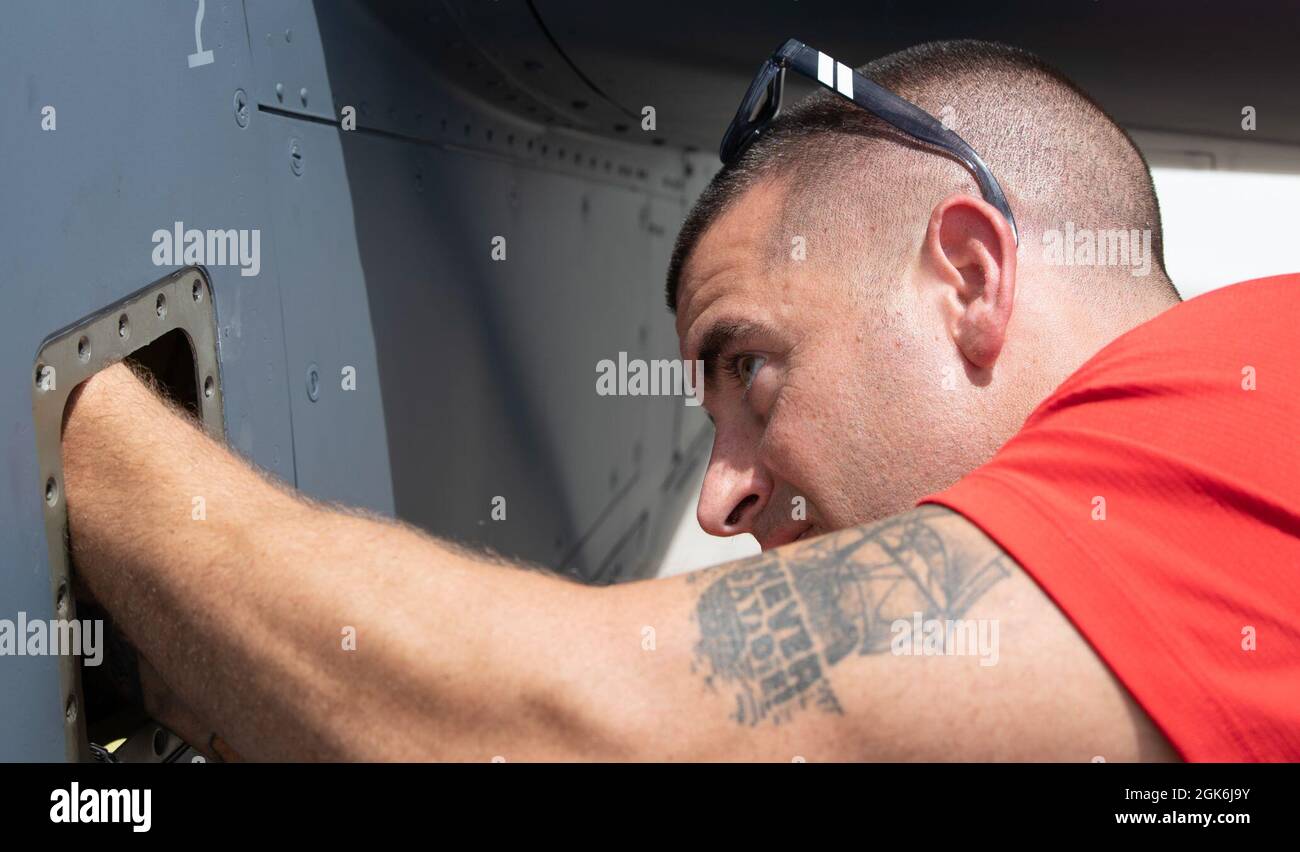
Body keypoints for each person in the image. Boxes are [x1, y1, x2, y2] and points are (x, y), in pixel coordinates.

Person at [62, 40, 1299, 761]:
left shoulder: (1260, 398)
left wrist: (84, 435)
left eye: (748, 366)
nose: (721, 495)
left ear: (968, 275)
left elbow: (577, 728)